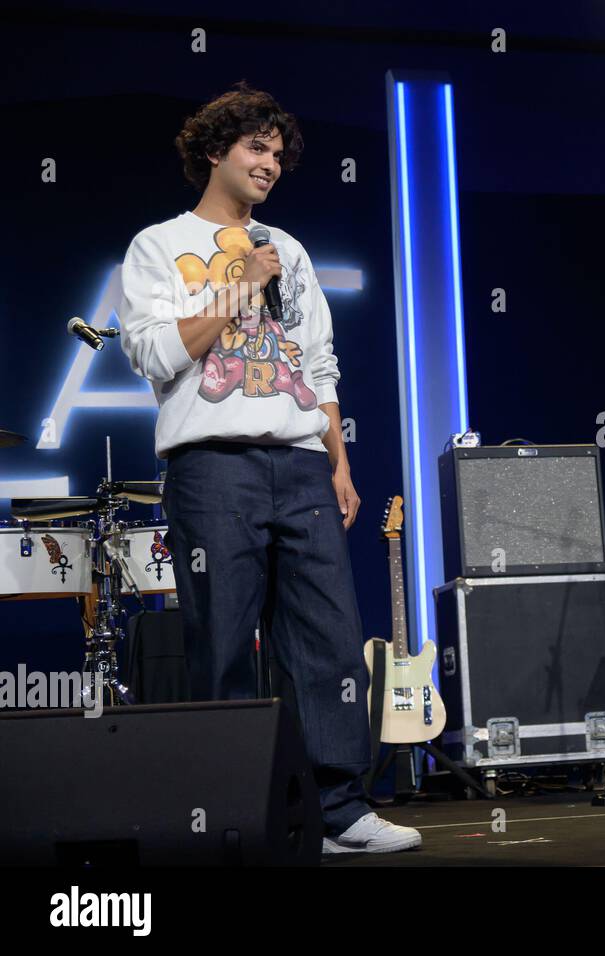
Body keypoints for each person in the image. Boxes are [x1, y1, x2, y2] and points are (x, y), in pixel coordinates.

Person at [117, 81, 420, 855]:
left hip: (299, 462)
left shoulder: (290, 249)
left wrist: (339, 459)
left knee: (328, 638)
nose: (270, 165)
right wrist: (238, 285)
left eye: (279, 155)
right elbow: (152, 352)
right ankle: (224, 815)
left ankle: (341, 812)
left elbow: (316, 361)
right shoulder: (159, 244)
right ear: (214, 151)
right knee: (220, 642)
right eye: (256, 148)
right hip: (213, 466)